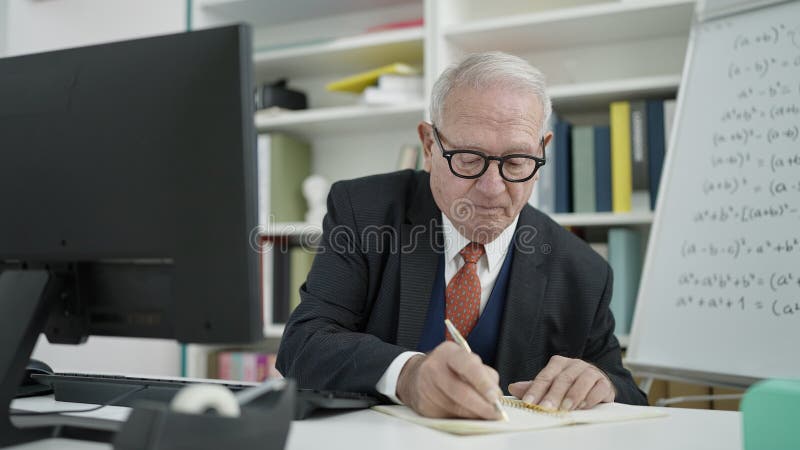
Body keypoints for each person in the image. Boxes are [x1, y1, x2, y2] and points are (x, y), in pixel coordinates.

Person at [276, 51, 647, 420]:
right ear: (429, 146)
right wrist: (407, 374)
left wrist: (602, 382)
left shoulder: (584, 272)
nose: (491, 187)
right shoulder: (363, 211)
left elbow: (626, 389)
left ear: (542, 152)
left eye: (516, 161)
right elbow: (303, 345)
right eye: (468, 158)